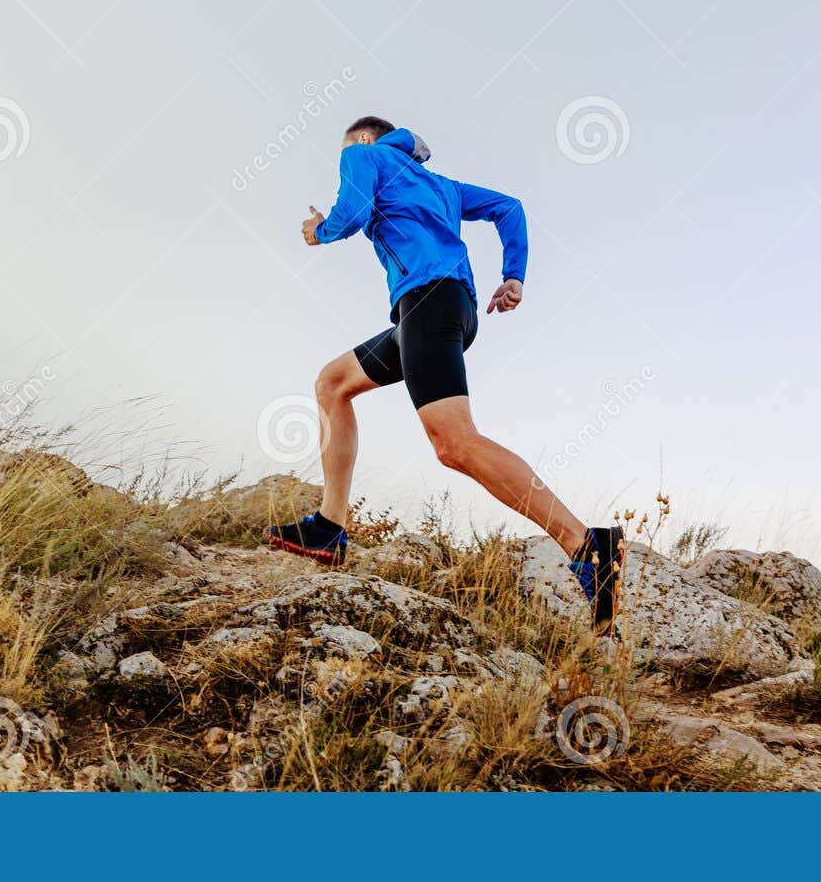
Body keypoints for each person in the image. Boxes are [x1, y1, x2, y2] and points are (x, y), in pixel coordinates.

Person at [263, 116, 623, 634]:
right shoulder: (442, 186)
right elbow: (508, 207)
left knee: (455, 444)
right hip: (447, 308)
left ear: (364, 140)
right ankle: (329, 526)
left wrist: (317, 232)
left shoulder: (363, 154)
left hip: (428, 302)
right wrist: (514, 275)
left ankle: (587, 545)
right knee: (333, 383)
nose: (346, 165)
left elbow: (352, 211)